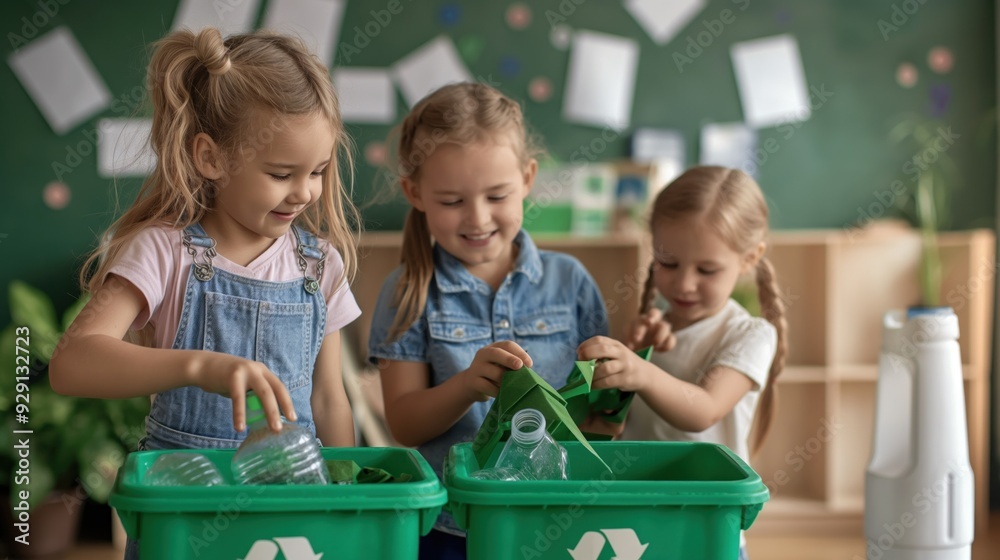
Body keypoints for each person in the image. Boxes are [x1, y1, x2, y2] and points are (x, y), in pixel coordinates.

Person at [49, 27, 360, 454]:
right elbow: (71, 364)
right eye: (280, 174)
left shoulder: (321, 264)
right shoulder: (161, 251)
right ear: (211, 158)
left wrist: (347, 498)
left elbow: (329, 400)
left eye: (318, 171)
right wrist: (197, 365)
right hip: (185, 500)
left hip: (291, 505)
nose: (304, 192)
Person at [367, 82, 609, 559]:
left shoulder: (571, 281)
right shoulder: (407, 290)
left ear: (527, 178)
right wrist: (467, 386)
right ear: (414, 193)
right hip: (449, 528)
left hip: (557, 518)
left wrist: (619, 381)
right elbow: (405, 424)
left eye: (497, 196)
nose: (477, 219)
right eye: (452, 202)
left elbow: (598, 418)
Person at [577, 166, 787, 560]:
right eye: (668, 264)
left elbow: (703, 410)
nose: (684, 283)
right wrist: (623, 372)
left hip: (706, 523)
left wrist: (642, 371)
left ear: (749, 258)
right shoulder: (654, 329)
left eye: (706, 270)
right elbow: (619, 428)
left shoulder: (750, 334)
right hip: (638, 520)